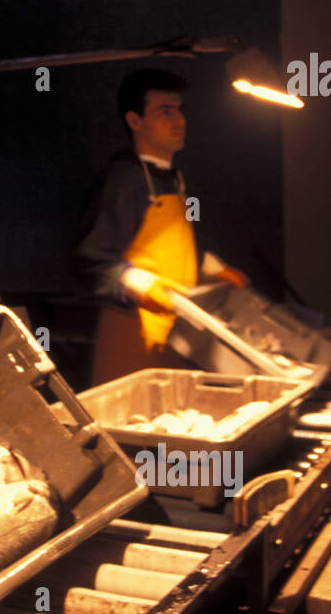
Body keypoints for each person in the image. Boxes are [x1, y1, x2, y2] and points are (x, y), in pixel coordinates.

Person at [74, 68, 249, 386]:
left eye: (179, 111)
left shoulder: (174, 178)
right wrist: (141, 285)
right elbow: (91, 260)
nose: (179, 121)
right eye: (165, 112)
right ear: (135, 121)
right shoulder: (123, 180)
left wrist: (214, 270)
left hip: (177, 332)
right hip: (132, 331)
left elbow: (178, 248)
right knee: (136, 429)